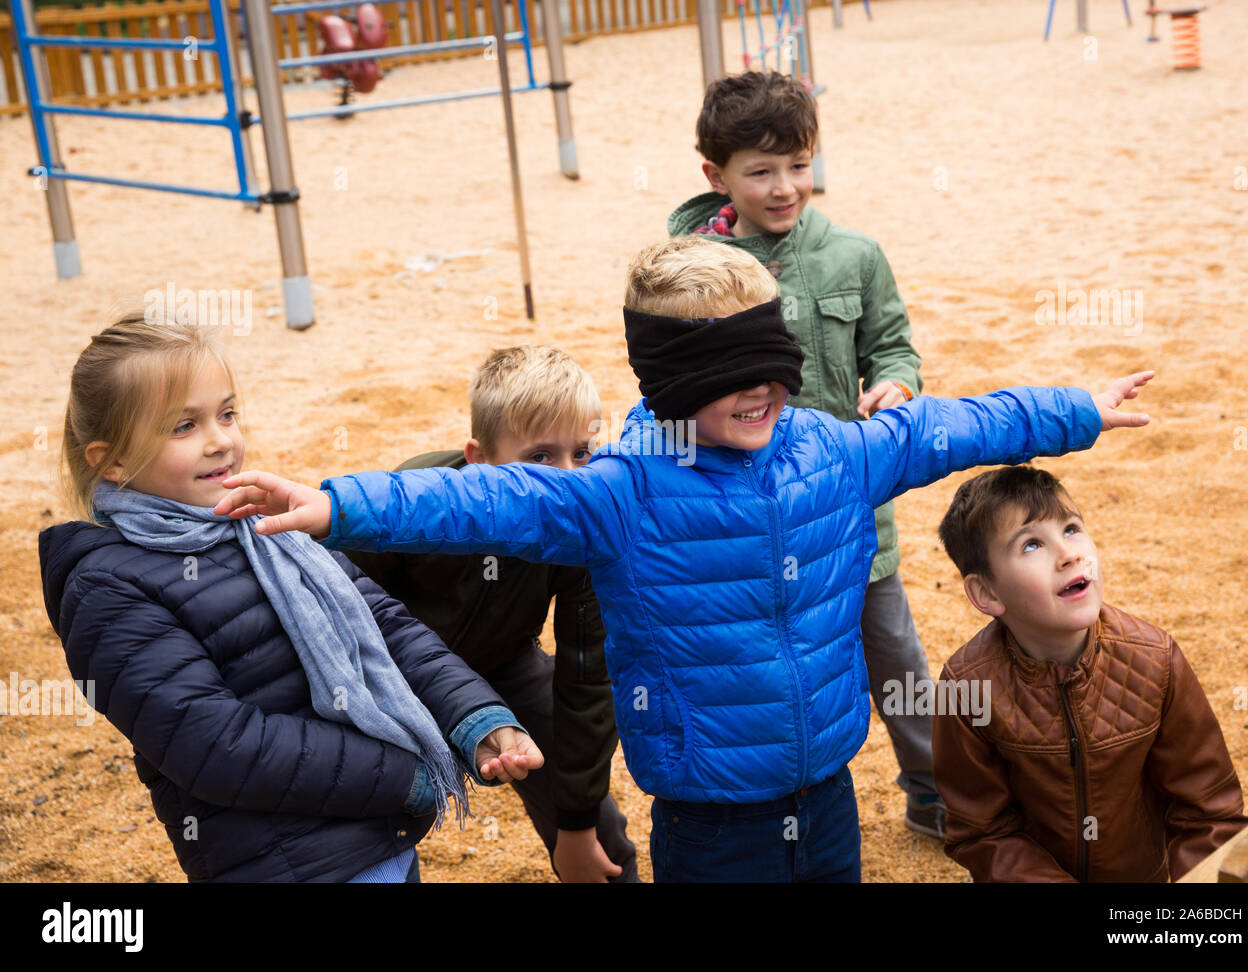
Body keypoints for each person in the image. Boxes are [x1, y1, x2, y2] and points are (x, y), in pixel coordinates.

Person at [213, 238, 1155, 882]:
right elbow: (485, 498)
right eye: (723, 376)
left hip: (825, 781)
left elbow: (954, 425)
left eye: (770, 366)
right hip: (709, 812)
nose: (758, 391)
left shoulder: (835, 450)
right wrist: (339, 504)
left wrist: (1077, 409)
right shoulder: (624, 490)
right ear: (668, 385)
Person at [39, 312, 541, 883]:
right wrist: (404, 776)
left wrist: (476, 715)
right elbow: (217, 746)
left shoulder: (262, 524)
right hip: (286, 863)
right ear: (111, 460)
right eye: (184, 427)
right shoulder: (106, 587)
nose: (221, 440)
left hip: (378, 837)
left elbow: (384, 628)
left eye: (227, 414)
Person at [670, 70, 943, 837]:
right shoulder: (694, 271)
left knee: (894, 658)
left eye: (798, 164)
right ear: (715, 176)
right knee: (761, 667)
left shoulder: (854, 256)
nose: (785, 186)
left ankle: (932, 789)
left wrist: (893, 385)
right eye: (760, 171)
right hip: (744, 519)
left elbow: (892, 345)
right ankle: (769, 807)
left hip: (854, 516)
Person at [342, 345, 638, 883]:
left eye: (583, 452)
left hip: (506, 662)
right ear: (478, 458)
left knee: (601, 834)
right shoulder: (419, 495)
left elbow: (586, 674)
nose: (567, 478)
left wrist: (576, 825)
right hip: (390, 670)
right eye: (541, 457)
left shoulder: (582, 523)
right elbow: (345, 598)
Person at [932, 465, 1248, 882]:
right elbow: (983, 832)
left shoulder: (1156, 660)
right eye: (1030, 545)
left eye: (1071, 528)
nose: (1069, 554)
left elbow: (1209, 812)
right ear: (987, 593)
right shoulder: (965, 688)